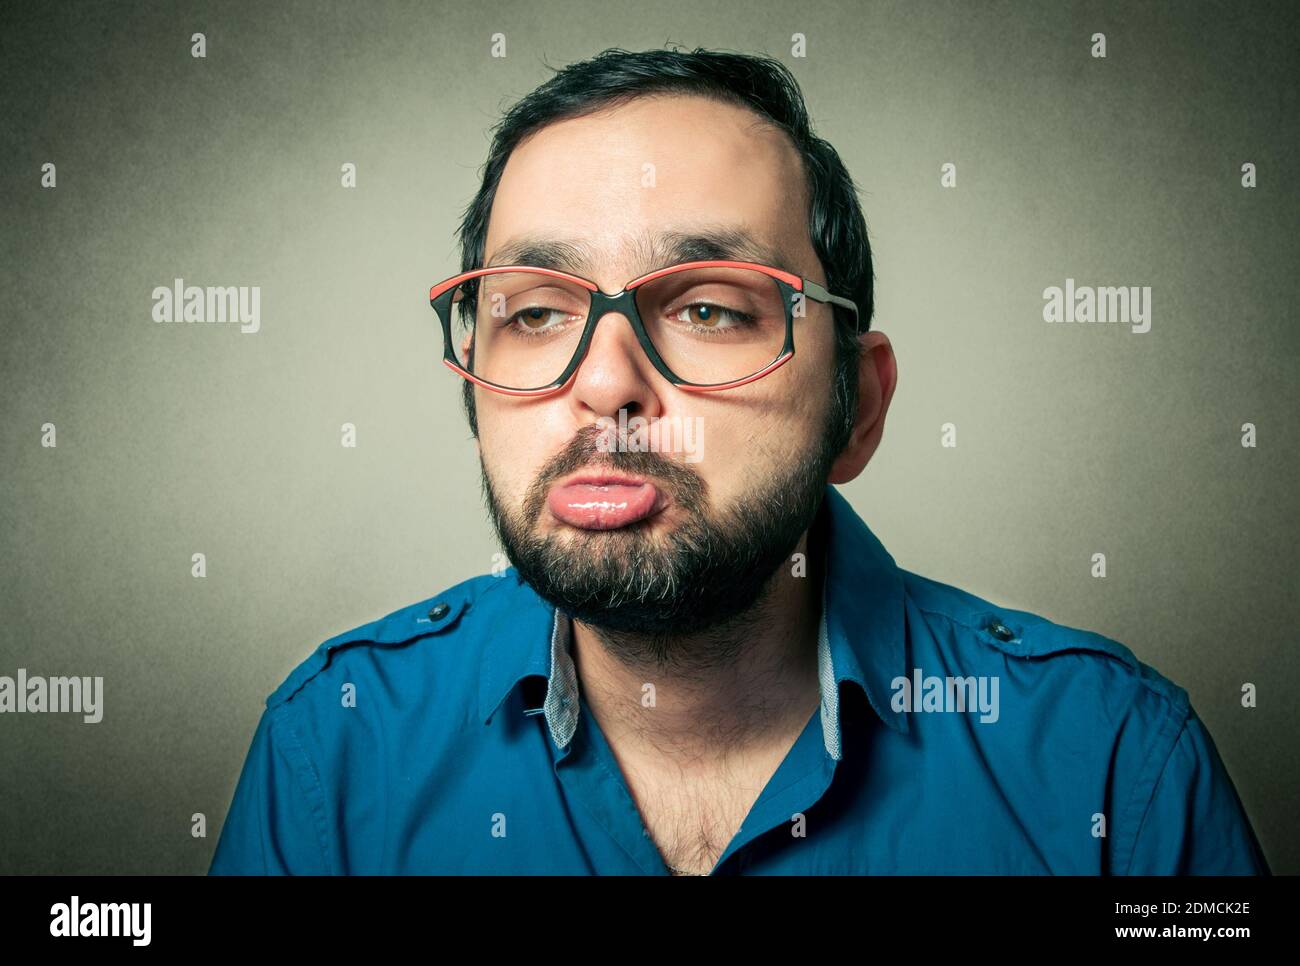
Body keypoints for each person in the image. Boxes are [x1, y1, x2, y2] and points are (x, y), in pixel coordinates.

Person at [209, 47, 1270, 875]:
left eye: (709, 307)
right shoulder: (337, 750)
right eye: (534, 312)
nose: (606, 384)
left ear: (857, 408)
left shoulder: (1112, 764)